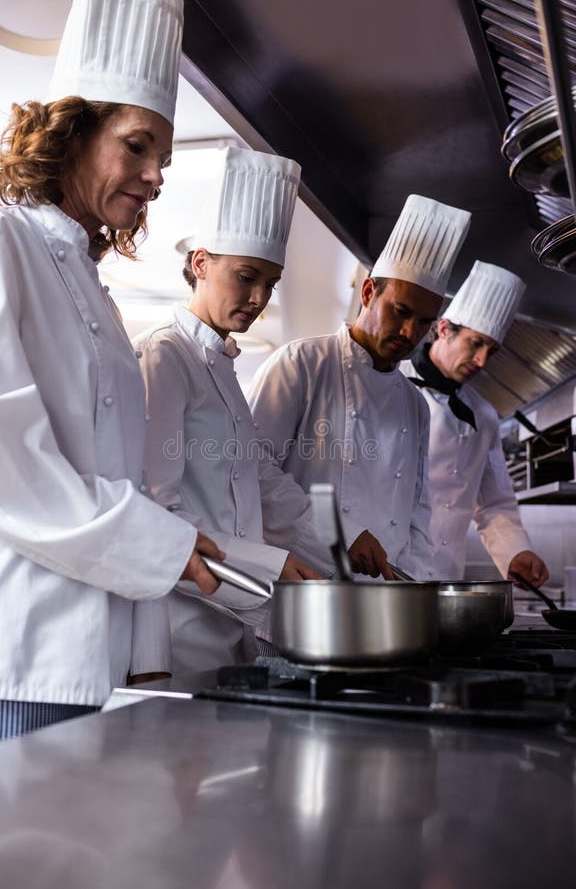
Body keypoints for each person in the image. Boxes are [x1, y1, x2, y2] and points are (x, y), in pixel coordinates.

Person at [0, 0, 224, 747]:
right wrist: (160, 548)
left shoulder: (100, 299)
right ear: (75, 132)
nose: (155, 178)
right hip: (23, 658)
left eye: (164, 161)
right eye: (139, 145)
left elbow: (123, 484)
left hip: (103, 660)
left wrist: (148, 651)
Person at [136, 147, 329, 671]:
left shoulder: (222, 363)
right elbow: (156, 509)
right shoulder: (165, 356)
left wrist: (338, 543)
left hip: (231, 623)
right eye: (246, 276)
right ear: (201, 263)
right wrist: (268, 564)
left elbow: (260, 479)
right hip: (179, 628)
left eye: (270, 283)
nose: (259, 296)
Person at [248, 194, 472, 580]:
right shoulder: (301, 365)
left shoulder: (414, 404)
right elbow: (254, 470)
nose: (409, 333)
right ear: (368, 293)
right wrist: (342, 535)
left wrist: (419, 589)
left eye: (424, 323)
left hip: (383, 601)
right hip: (306, 596)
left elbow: (417, 512)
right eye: (401, 312)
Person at [401, 260, 549, 586]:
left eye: (491, 351)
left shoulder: (483, 414)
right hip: (383, 576)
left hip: (444, 579)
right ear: (443, 329)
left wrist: (516, 552)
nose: (482, 361)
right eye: (476, 343)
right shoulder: (392, 387)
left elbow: (494, 502)